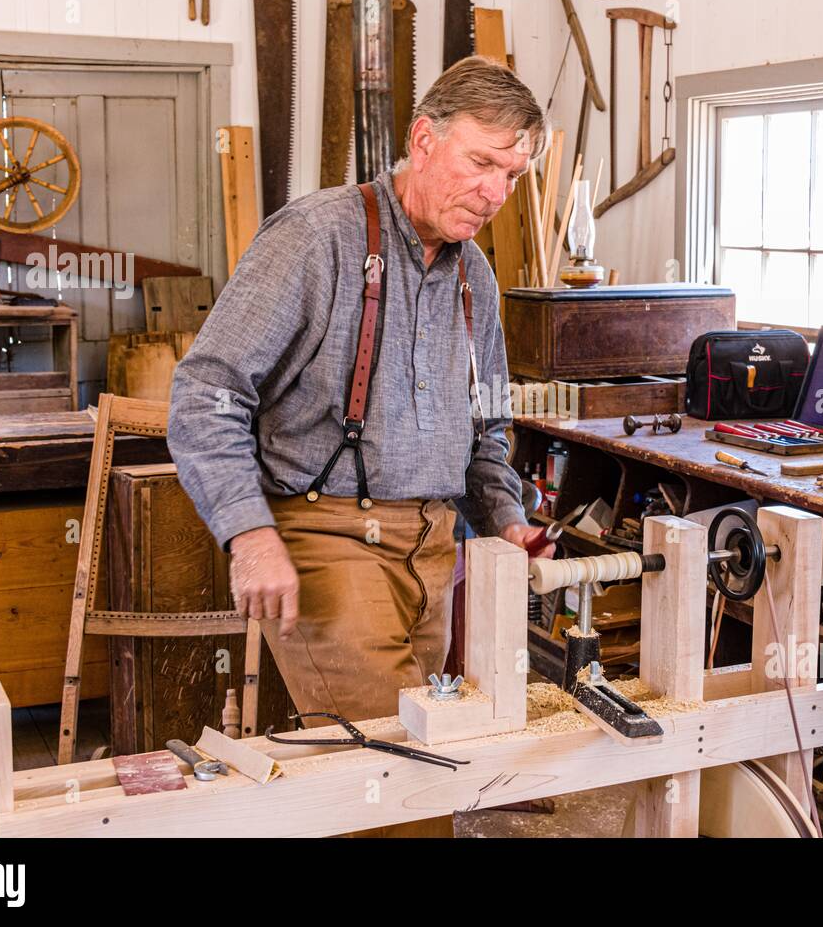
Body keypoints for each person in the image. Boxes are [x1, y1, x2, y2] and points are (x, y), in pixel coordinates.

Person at [167, 58, 555, 836]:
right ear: (422, 138)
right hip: (328, 541)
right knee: (396, 786)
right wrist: (250, 534)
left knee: (411, 765)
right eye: (481, 163)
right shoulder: (315, 237)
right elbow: (205, 393)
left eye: (511, 176)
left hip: (434, 552)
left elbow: (488, 427)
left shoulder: (475, 272)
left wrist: (508, 518)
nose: (495, 193)